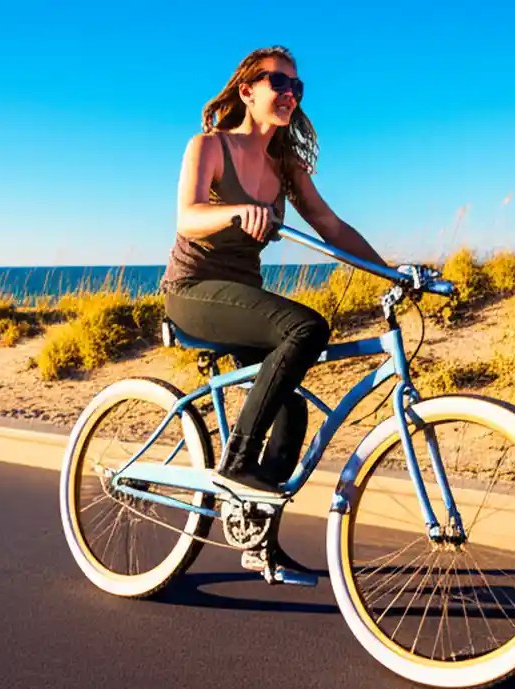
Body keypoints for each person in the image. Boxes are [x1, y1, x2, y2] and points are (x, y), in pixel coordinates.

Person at [161, 46, 389, 494]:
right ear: (247, 91)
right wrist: (235, 211)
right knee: (306, 328)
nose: (290, 93)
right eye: (278, 82)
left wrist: (391, 273)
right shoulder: (209, 146)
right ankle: (238, 461)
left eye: (296, 86)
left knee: (291, 411)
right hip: (192, 289)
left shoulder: (285, 168)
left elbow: (330, 225)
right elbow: (187, 217)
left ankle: (257, 524)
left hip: (242, 297)